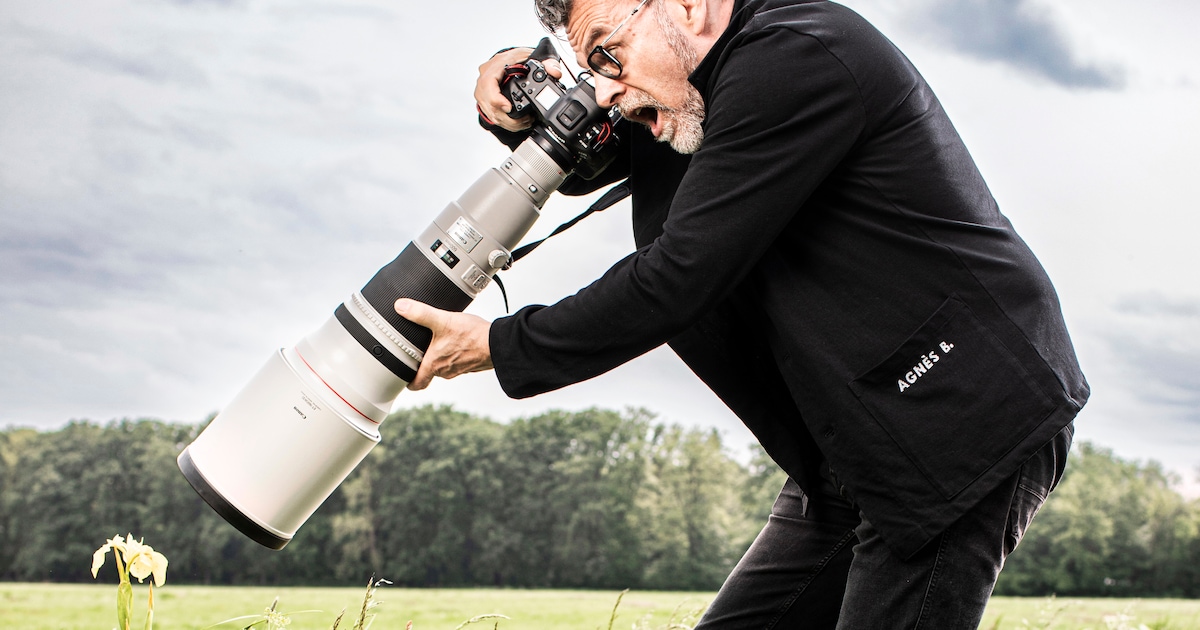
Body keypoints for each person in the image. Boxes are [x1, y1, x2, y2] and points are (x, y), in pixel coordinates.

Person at [394, 0, 1090, 625]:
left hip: (956, 415)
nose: (603, 89)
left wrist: (500, 344)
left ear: (689, 7)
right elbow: (593, 151)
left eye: (608, 53)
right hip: (850, 448)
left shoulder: (793, 57)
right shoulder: (692, 91)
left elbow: (677, 277)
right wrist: (511, 95)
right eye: (589, 66)